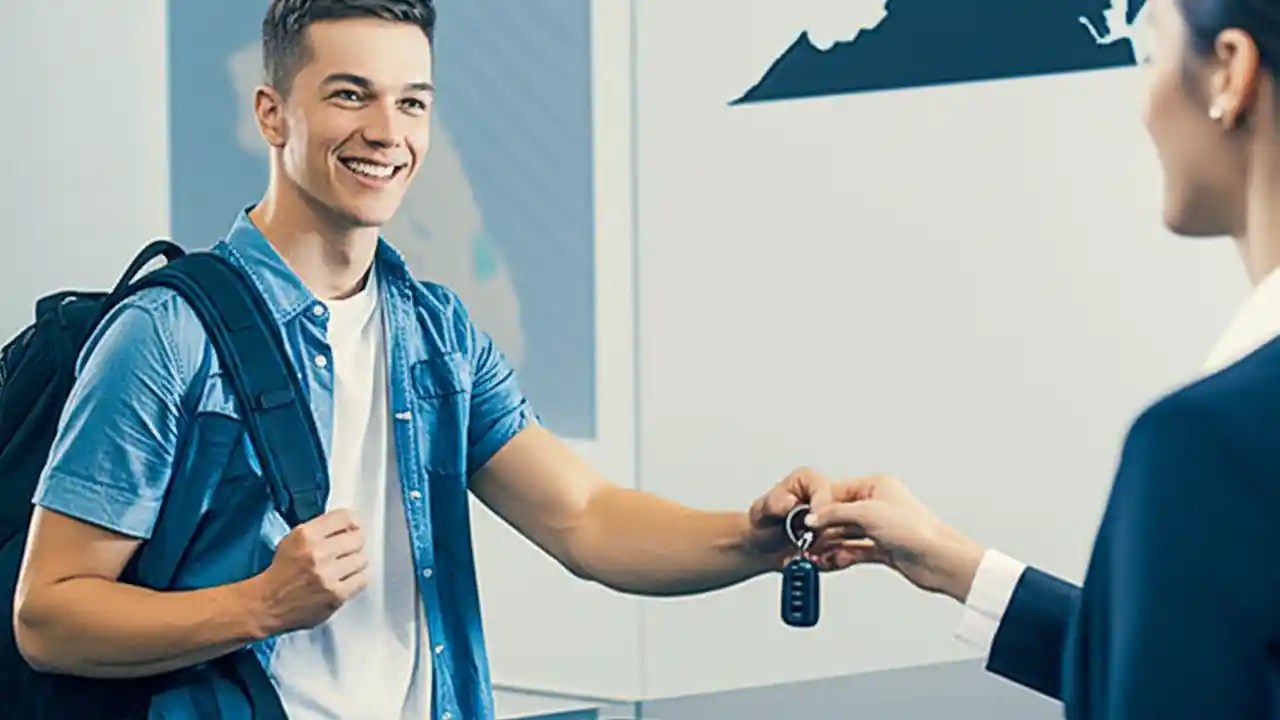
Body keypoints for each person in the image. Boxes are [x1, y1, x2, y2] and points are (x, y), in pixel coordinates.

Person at [10, 2, 828, 719]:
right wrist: (259, 604)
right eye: (349, 94)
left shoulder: (434, 332)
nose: (386, 133)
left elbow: (587, 518)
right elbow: (48, 617)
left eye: (412, 103)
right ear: (271, 113)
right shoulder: (166, 334)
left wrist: (762, 539)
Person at [803, 0, 1280, 717]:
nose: (1143, 104)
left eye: (1152, 51)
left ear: (1231, 72)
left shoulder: (1207, 447)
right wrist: (957, 564)